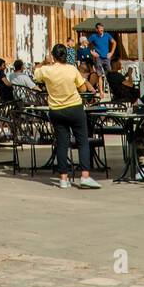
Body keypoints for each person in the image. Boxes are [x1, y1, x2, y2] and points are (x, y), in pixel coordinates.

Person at [31, 44, 100, 189]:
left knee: (62, 143)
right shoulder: (72, 69)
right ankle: (85, 176)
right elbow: (82, 88)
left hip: (56, 109)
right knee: (82, 141)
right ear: (65, 56)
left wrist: (45, 61)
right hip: (74, 107)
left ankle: (63, 178)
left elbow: (35, 71)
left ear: (54, 56)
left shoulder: (47, 70)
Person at [88, 22, 115, 98]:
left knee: (110, 75)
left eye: (102, 29)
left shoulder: (107, 35)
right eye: (99, 29)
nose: (101, 30)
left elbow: (114, 42)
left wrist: (111, 53)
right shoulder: (94, 36)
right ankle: (101, 92)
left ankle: (112, 91)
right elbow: (86, 43)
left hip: (106, 57)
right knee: (99, 75)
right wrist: (92, 52)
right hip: (98, 58)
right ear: (96, 29)